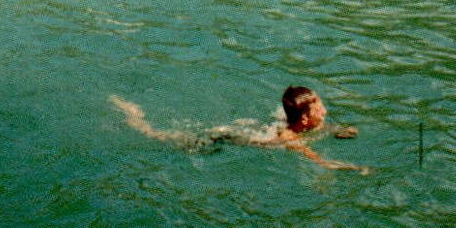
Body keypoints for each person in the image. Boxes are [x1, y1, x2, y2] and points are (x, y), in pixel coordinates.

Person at [110, 87, 364, 171]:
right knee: (160, 137)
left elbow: (325, 128)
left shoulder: (293, 123)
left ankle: (133, 115)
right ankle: (134, 119)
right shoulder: (289, 137)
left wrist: (338, 130)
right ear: (306, 119)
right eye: (320, 110)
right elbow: (320, 162)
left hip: (242, 132)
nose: (326, 112)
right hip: (222, 139)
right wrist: (355, 167)